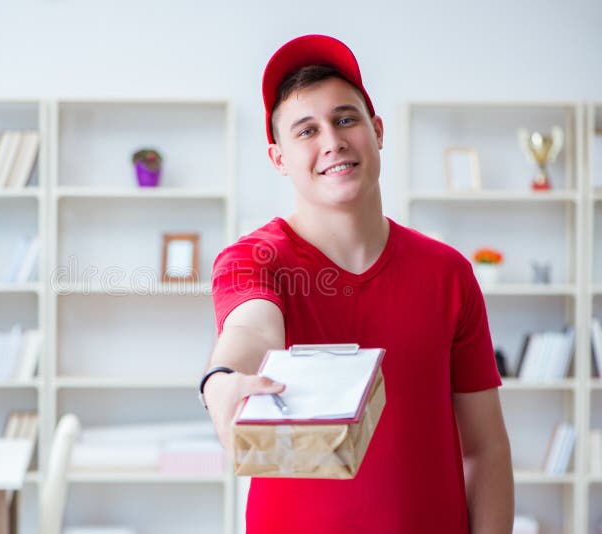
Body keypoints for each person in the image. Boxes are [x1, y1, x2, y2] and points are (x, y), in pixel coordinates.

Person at [199, 34, 514, 533]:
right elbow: (252, 332)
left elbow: (485, 447)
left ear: (378, 130)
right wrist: (220, 382)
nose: (332, 141)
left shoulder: (448, 273)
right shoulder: (254, 259)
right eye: (306, 130)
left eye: (346, 119)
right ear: (278, 158)